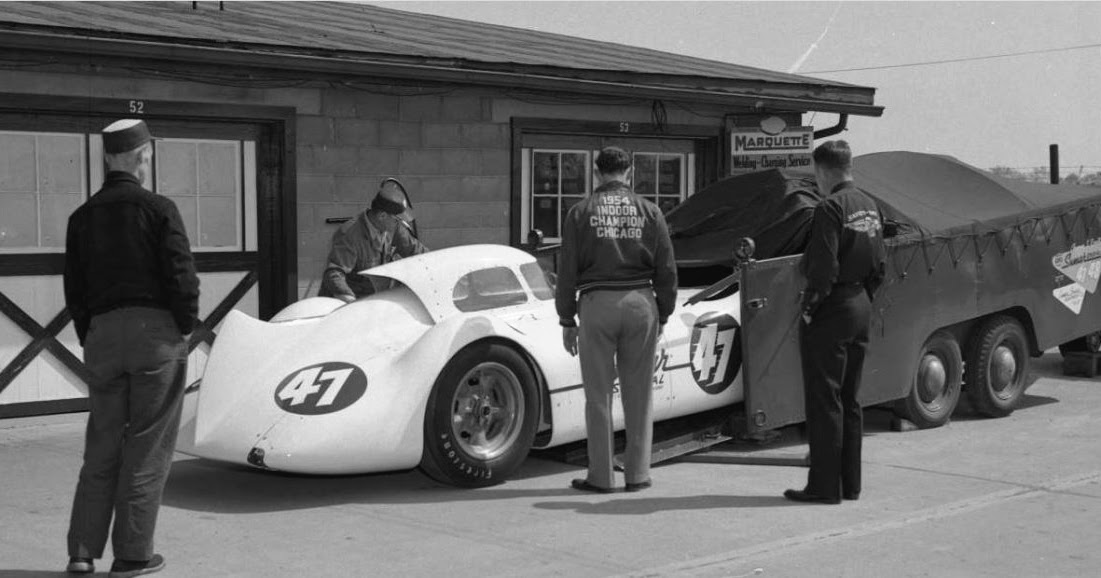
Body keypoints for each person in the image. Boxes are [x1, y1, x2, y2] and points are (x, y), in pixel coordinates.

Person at [63, 119, 200, 576]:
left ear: (107, 158)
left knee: (102, 444)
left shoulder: (80, 217)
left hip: (102, 336)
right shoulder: (159, 208)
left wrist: (91, 334)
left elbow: (75, 289)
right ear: (144, 156)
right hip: (153, 335)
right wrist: (182, 327)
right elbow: (182, 276)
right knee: (147, 446)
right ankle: (133, 555)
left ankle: (81, 552)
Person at [556, 146, 677, 493]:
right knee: (639, 393)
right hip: (640, 302)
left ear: (596, 173)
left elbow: (566, 271)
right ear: (630, 172)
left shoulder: (579, 213)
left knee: (598, 395)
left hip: (596, 304)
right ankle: (638, 474)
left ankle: (601, 476)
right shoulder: (651, 211)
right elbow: (667, 268)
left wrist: (567, 319)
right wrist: (664, 311)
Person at [784, 140, 886, 505]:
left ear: (823, 171)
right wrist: (862, 297)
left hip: (832, 308)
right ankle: (851, 484)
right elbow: (880, 264)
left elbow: (823, 267)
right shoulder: (870, 205)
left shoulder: (829, 207)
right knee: (850, 399)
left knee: (824, 400)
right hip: (860, 304)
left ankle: (824, 486)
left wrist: (811, 307)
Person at [319, 178, 429, 302]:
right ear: (382, 216)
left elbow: (417, 251)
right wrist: (351, 304)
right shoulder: (350, 234)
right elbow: (334, 274)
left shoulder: (394, 227)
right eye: (397, 220)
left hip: (371, 300)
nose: (400, 224)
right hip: (344, 303)